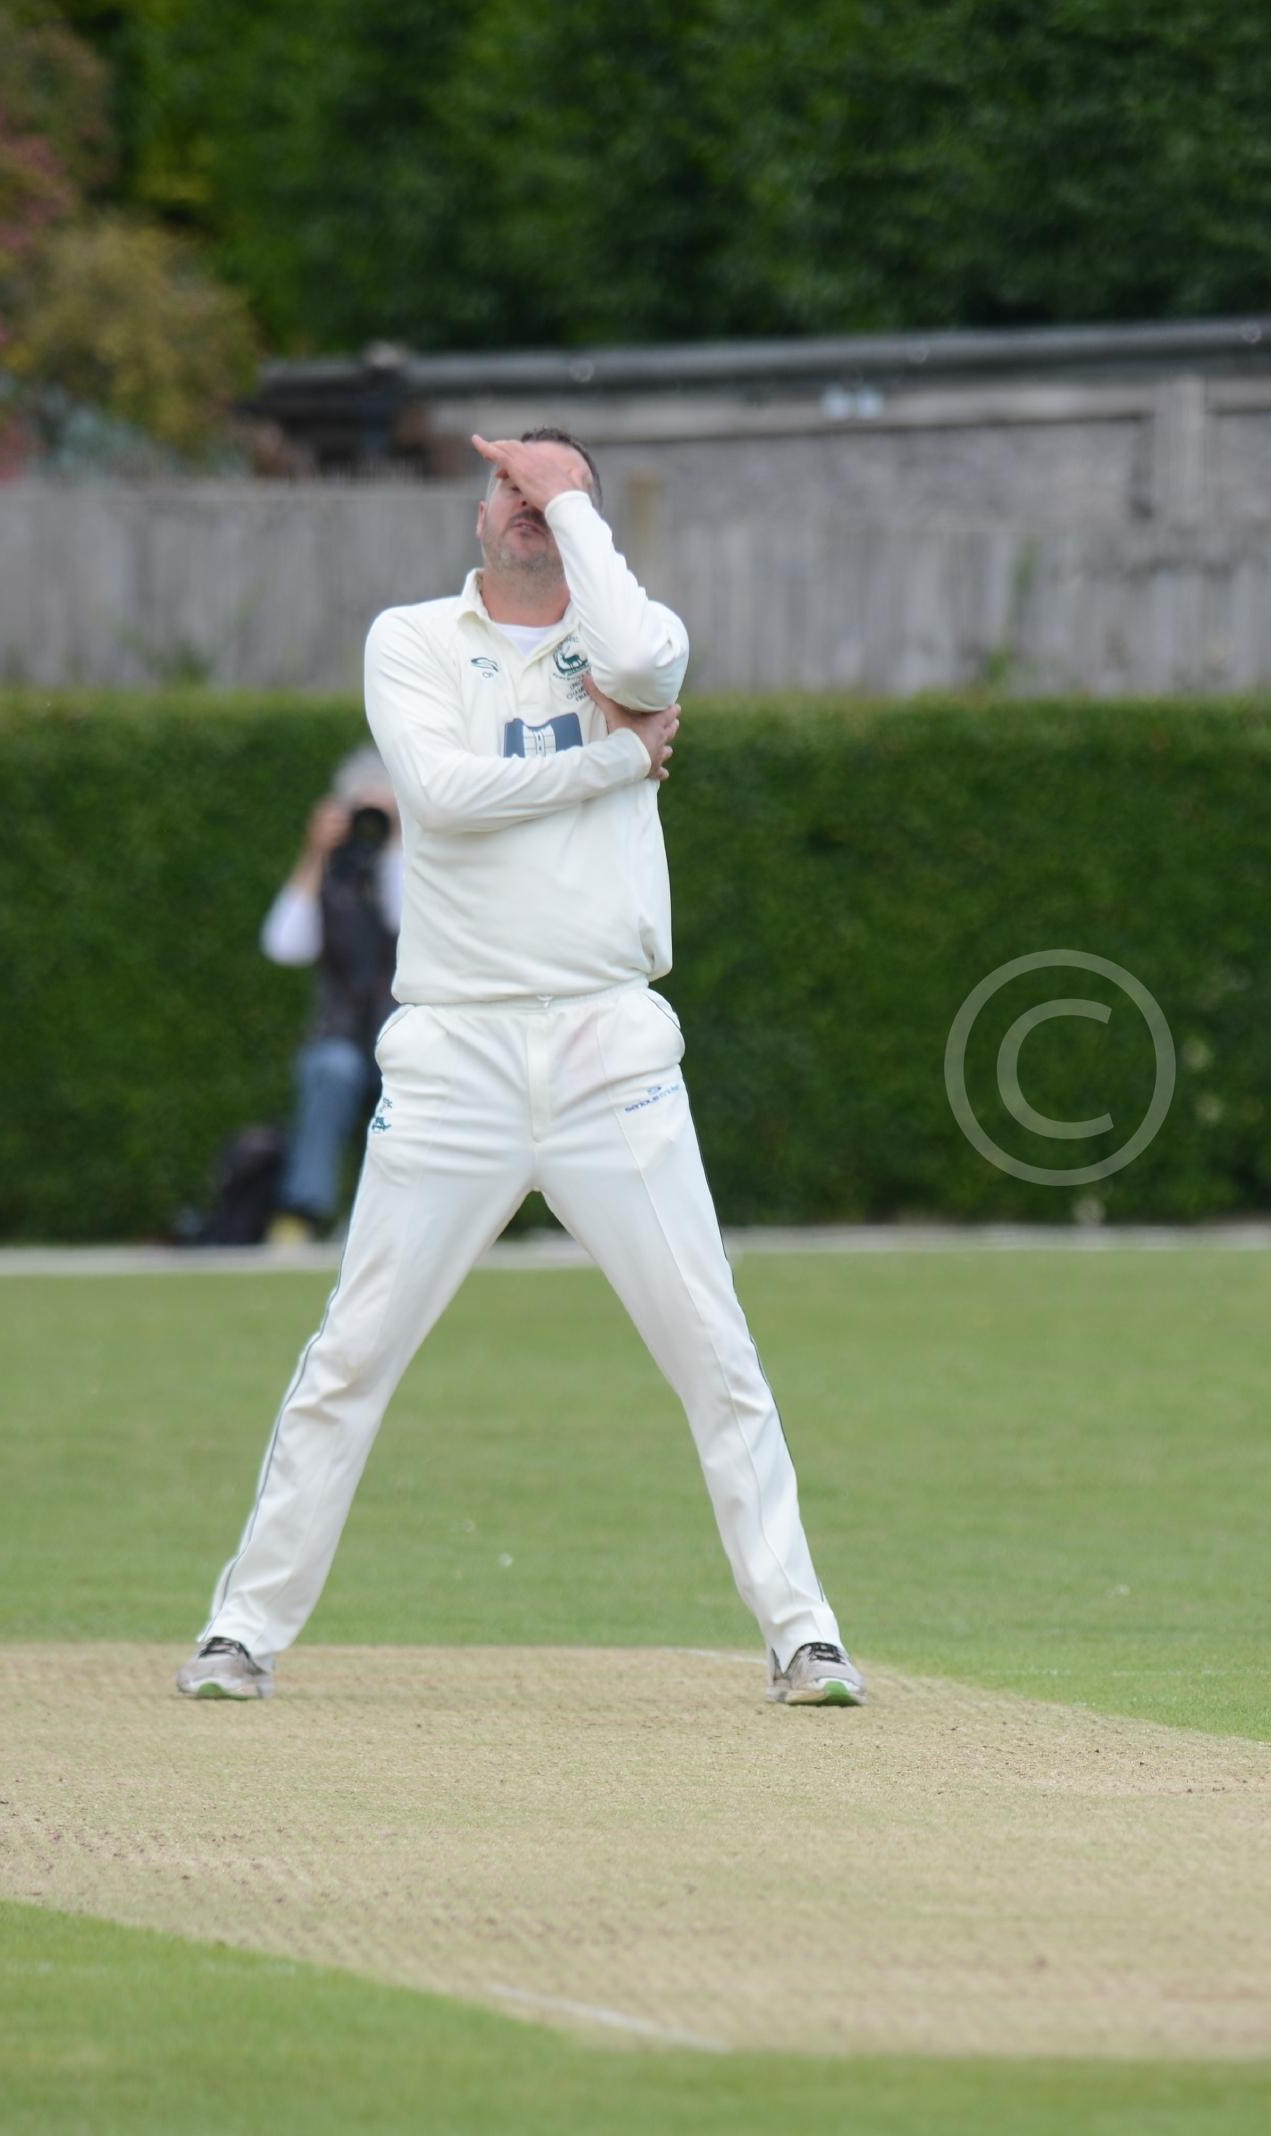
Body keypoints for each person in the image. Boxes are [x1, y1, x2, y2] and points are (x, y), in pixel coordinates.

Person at [174, 429, 863, 1708]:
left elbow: (650, 658)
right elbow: (437, 795)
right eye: (507, 485)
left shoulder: (623, 634)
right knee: (350, 1354)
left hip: (610, 1042)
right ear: (476, 509)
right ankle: (242, 1630)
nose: (523, 507)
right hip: (456, 1051)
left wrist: (578, 510)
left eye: (543, 490)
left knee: (715, 1352)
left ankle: (802, 1632)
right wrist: (615, 757)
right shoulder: (412, 640)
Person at [261, 749, 402, 1243]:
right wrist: (317, 853)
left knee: (406, 1076)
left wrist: (403, 842)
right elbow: (283, 944)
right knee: (331, 1070)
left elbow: (417, 925)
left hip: (402, 1035)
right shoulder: (333, 873)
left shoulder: (413, 864)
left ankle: (391, 1218)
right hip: (339, 1033)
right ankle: (306, 1210)